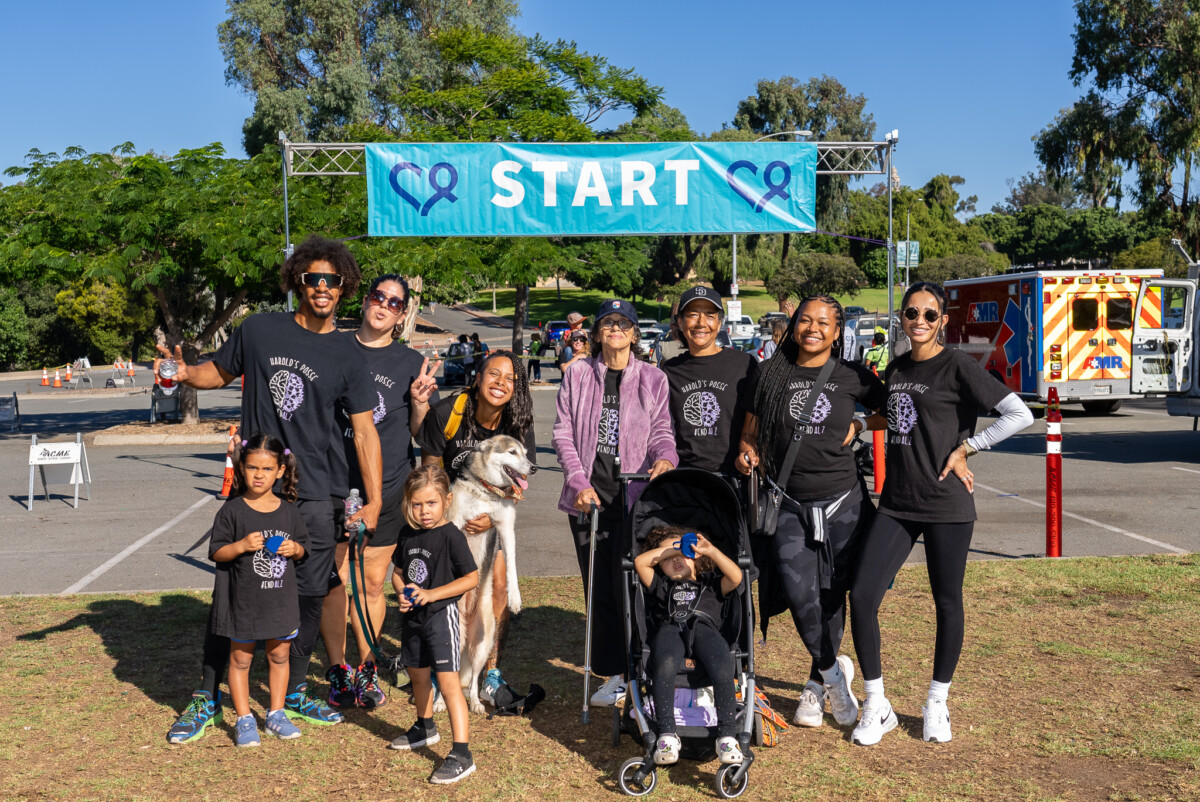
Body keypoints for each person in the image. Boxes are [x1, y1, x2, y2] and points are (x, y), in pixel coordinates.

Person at [162, 234, 382, 744]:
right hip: (256, 491)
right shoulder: (259, 330)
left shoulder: (349, 354)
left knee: (306, 596)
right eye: (313, 278)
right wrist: (178, 372)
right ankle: (205, 696)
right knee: (234, 594)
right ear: (297, 281)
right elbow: (214, 373)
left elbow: (366, 431)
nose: (322, 287)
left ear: (345, 286)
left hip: (316, 495)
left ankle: (297, 692)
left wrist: (371, 501)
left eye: (332, 279)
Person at [848, 281, 1033, 747]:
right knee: (863, 595)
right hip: (897, 502)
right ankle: (876, 703)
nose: (920, 322)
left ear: (943, 320)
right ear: (903, 318)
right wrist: (856, 422)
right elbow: (899, 415)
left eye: (930, 315)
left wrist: (969, 447)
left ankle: (936, 702)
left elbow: (1019, 414)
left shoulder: (958, 367)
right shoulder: (898, 366)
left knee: (946, 602)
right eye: (912, 313)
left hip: (947, 505)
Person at [737, 295, 885, 731]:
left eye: (824, 322)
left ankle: (813, 684)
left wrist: (860, 425)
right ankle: (834, 677)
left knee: (833, 593)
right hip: (788, 504)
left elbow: (890, 410)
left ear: (838, 332)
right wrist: (747, 449)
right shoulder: (769, 374)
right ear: (794, 324)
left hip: (844, 504)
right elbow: (749, 430)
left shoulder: (852, 375)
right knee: (802, 599)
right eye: (805, 320)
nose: (813, 328)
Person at [321, 274, 440, 711]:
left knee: (372, 582)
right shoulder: (333, 347)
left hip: (389, 488)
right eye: (378, 297)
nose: (385, 305)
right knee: (335, 583)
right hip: (333, 483)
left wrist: (422, 401)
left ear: (403, 313)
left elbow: (417, 431)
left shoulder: (409, 362)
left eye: (395, 302)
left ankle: (368, 666)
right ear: (365, 300)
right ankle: (338, 670)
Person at [552, 298, 677, 707]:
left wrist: (665, 458)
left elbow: (662, 430)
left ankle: (643, 666)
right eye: (608, 323)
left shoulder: (653, 378)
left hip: (635, 496)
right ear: (597, 332)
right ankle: (614, 673)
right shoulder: (578, 375)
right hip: (589, 497)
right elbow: (562, 434)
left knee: (637, 584)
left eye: (624, 324)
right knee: (600, 586)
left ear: (635, 333)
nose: (616, 330)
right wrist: (577, 481)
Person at [417, 349, 535, 700]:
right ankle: (442, 670)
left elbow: (518, 486)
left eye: (510, 379)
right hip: (448, 516)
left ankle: (491, 673)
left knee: (497, 587)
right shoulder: (448, 413)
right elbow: (429, 476)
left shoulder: (516, 422)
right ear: (478, 377)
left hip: (488, 515)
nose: (501, 383)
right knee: (448, 594)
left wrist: (492, 515)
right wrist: (447, 522)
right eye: (494, 375)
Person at [208, 435, 309, 747]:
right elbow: (216, 553)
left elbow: (304, 551)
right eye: (252, 467)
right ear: (242, 468)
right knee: (240, 661)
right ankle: (244, 718)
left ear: (280, 471)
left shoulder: (289, 511)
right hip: (244, 604)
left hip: (280, 603)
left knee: (279, 655)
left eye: (267, 468)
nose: (259, 474)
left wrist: (295, 549)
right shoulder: (232, 510)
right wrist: (239, 546)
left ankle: (276, 714)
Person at [388, 466, 480, 785]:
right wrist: (403, 593)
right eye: (417, 504)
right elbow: (398, 573)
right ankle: (425, 726)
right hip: (412, 619)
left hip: (442, 620)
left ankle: (462, 753)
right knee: (417, 674)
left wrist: (431, 595)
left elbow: (471, 578)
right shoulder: (407, 534)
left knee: (449, 683)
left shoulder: (451, 536)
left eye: (431, 503)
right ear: (408, 504)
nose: (424, 511)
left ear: (446, 500)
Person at [635, 525, 744, 766]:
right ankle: (667, 733)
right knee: (664, 663)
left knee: (723, 664)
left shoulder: (712, 584)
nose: (675, 560)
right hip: (671, 628)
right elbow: (641, 563)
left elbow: (736, 577)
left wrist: (710, 551)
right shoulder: (663, 586)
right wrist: (672, 549)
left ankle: (726, 734)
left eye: (682, 554)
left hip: (705, 629)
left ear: (695, 558)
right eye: (667, 559)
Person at [661, 285, 757, 474]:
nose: (701, 323)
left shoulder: (744, 365)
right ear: (680, 322)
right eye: (693, 314)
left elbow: (754, 425)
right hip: (684, 478)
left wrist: (747, 454)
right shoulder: (670, 370)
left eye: (710, 315)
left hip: (733, 478)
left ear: (720, 323)